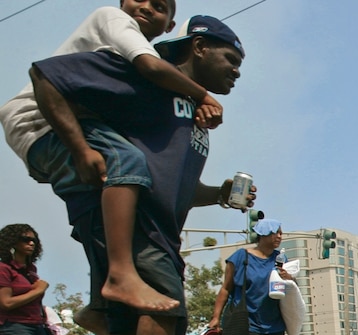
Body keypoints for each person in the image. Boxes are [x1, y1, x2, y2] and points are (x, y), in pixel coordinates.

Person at [18, 15, 246, 335]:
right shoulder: (145, 74)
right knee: (162, 314)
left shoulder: (196, 119)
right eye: (231, 58)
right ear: (198, 46)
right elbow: (50, 76)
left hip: (158, 224)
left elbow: (176, 185)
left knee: (143, 328)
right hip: (135, 221)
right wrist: (81, 152)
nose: (236, 70)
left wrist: (217, 194)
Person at [0, 2, 224, 315]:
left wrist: (218, 194)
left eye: (158, 6)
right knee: (127, 160)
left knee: (100, 208)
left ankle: (95, 311)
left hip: (53, 131)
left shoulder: (131, 63)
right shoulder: (115, 20)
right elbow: (152, 66)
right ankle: (121, 275)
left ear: (170, 26)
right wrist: (203, 95)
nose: (145, 7)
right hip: (37, 120)